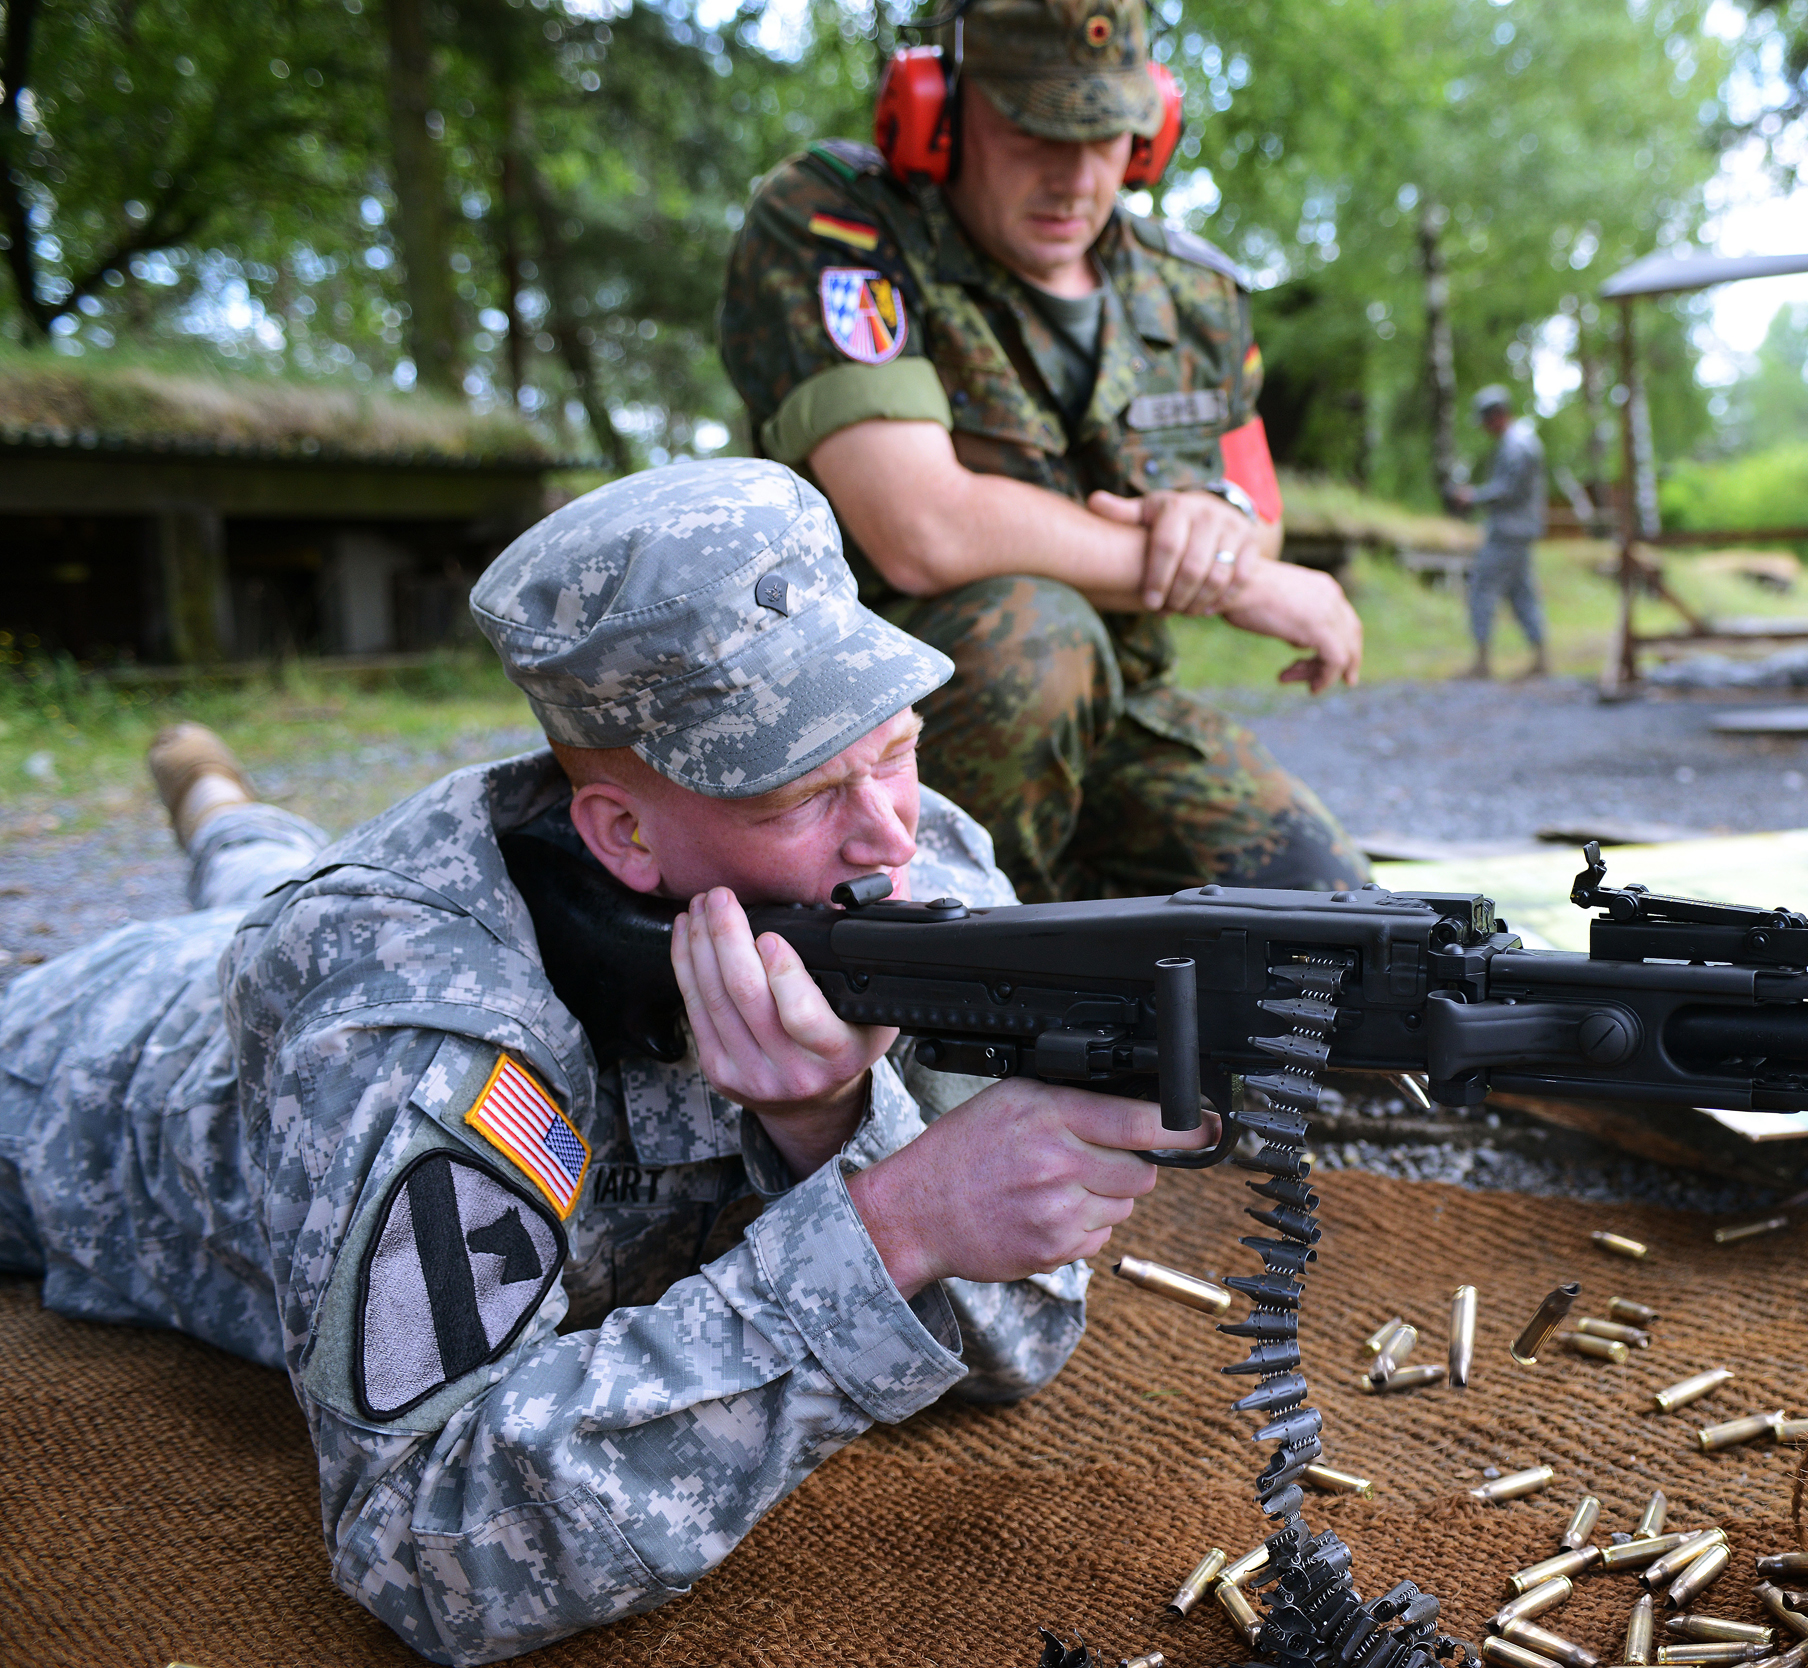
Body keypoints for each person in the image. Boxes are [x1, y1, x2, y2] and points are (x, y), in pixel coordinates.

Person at [0, 460, 1205, 1664]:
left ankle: (217, 801)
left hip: (279, 932)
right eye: (805, 792)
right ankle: (226, 815)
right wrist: (889, 1225)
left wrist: (835, 1121)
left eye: (895, 747)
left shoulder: (904, 855)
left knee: (251, 864)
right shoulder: (410, 1008)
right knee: (251, 911)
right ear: (623, 832)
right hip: (86, 1072)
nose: (892, 833)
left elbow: (1021, 1342)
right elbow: (431, 1542)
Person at [719, 0, 1367, 904]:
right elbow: (924, 527)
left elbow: (1253, 518)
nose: (1075, 179)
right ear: (940, 111)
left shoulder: (1195, 290)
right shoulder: (836, 225)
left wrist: (1209, 522)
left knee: (1332, 932)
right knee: (1037, 637)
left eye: (1106, 138)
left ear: (1151, 131)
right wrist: (1238, 580)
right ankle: (932, 988)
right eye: (1035, 133)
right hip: (863, 734)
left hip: (1117, 718)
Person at [1451, 384, 1549, 680]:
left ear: (1497, 416)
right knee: (1521, 592)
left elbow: (1510, 490)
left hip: (1508, 531)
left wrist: (1473, 496)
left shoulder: (1516, 445)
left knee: (1481, 588)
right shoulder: (1520, 441)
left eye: (1485, 420)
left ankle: (1481, 662)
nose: (1483, 428)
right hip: (1519, 531)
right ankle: (1541, 657)